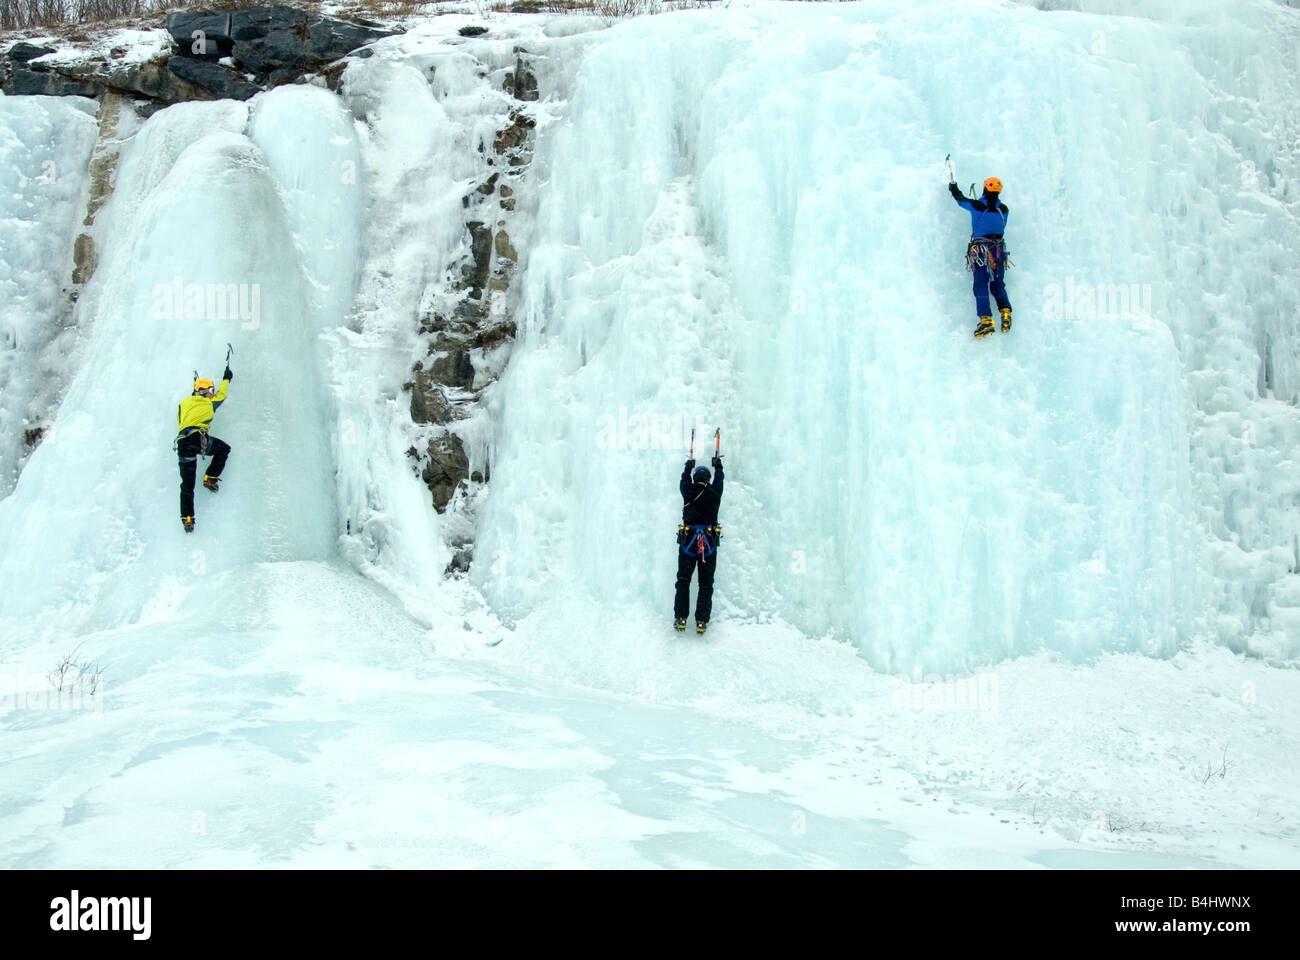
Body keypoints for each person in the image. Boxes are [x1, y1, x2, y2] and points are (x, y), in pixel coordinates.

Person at [949, 175, 1012, 338]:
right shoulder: (1004, 210)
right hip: (998, 250)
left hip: (981, 250)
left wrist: (953, 186)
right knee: (997, 283)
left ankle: (986, 320)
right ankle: (1005, 313)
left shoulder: (977, 206)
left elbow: (960, 200)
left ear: (985, 188)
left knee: (981, 284)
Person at [176, 365, 233, 532]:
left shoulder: (184, 403)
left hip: (182, 442)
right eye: (211, 390)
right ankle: (210, 478)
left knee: (187, 484)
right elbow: (221, 395)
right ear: (205, 391)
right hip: (197, 438)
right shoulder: (210, 402)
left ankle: (187, 519)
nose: (213, 393)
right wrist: (226, 378)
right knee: (223, 449)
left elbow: (181, 420)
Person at [674, 454, 723, 634]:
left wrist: (688, 466)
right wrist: (719, 467)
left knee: (683, 580)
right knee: (706, 583)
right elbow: (720, 482)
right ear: (708, 479)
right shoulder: (715, 493)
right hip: (708, 545)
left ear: (695, 478)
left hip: (688, 542)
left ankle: (680, 618)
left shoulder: (688, 490)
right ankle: (701, 620)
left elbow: (683, 481)